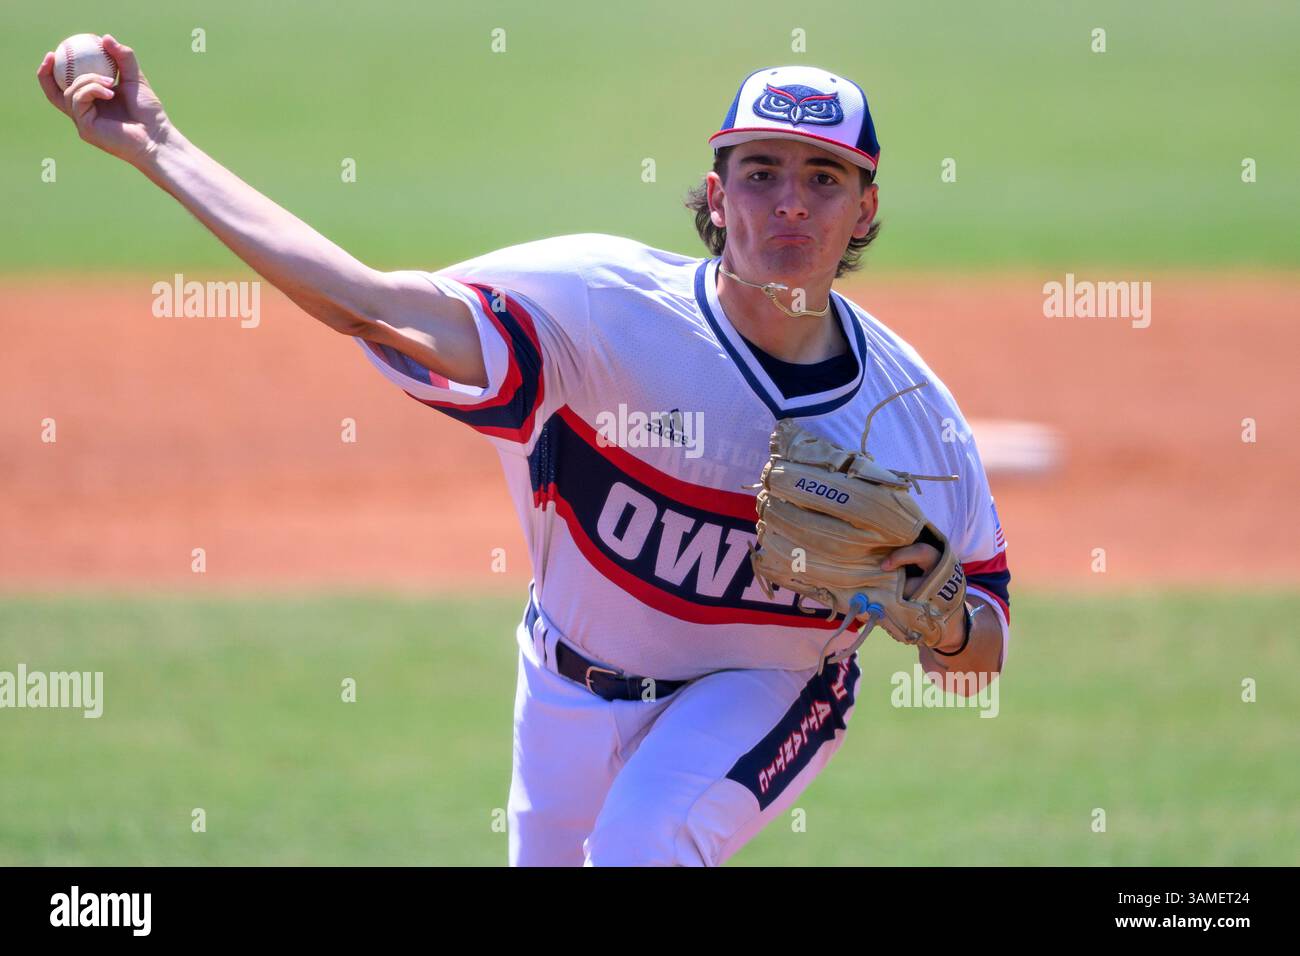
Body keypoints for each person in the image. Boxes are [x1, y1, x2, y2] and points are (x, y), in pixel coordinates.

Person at [40, 46, 1012, 866]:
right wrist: (155, 145)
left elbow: (983, 651)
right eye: (760, 170)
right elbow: (369, 303)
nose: (788, 203)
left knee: (640, 844)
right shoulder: (598, 312)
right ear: (716, 195)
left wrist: (938, 616)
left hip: (767, 687)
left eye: (821, 176)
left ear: (865, 206)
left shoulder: (909, 418)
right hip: (560, 678)